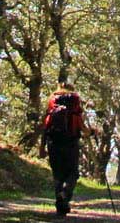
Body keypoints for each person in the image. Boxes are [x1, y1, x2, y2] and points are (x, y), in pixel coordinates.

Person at [38, 80, 90, 217]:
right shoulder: (74, 104)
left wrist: (42, 147)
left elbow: (45, 126)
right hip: (71, 142)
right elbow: (82, 127)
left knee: (58, 174)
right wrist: (90, 132)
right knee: (72, 173)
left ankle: (60, 206)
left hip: (53, 142)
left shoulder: (52, 102)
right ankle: (65, 195)